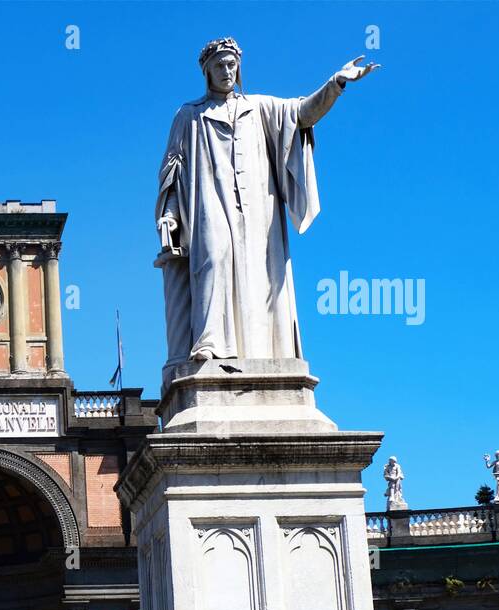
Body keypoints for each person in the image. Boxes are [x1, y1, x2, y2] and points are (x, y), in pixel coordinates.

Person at [157, 38, 379, 370]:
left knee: (259, 273)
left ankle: (264, 350)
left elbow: (304, 113)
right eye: (219, 65)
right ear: (207, 71)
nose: (227, 71)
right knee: (214, 259)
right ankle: (211, 341)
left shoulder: (260, 107)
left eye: (232, 64)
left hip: (258, 209)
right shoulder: (189, 116)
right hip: (208, 205)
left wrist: (337, 82)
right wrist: (171, 216)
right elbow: (173, 173)